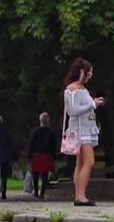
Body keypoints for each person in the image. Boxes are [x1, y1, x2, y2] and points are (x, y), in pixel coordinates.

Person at [64, 57, 104, 206]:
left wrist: (94, 103)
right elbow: (73, 111)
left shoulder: (80, 88)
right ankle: (81, 196)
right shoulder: (73, 89)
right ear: (82, 72)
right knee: (89, 161)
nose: (90, 75)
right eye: (89, 72)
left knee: (80, 163)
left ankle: (79, 195)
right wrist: (93, 104)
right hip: (81, 130)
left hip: (84, 128)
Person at [28, 112, 57, 199]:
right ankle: (42, 192)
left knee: (35, 174)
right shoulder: (51, 132)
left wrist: (29, 156)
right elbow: (54, 145)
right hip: (47, 155)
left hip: (36, 154)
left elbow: (31, 144)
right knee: (45, 174)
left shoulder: (34, 131)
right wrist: (54, 157)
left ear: (40, 120)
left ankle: (36, 191)